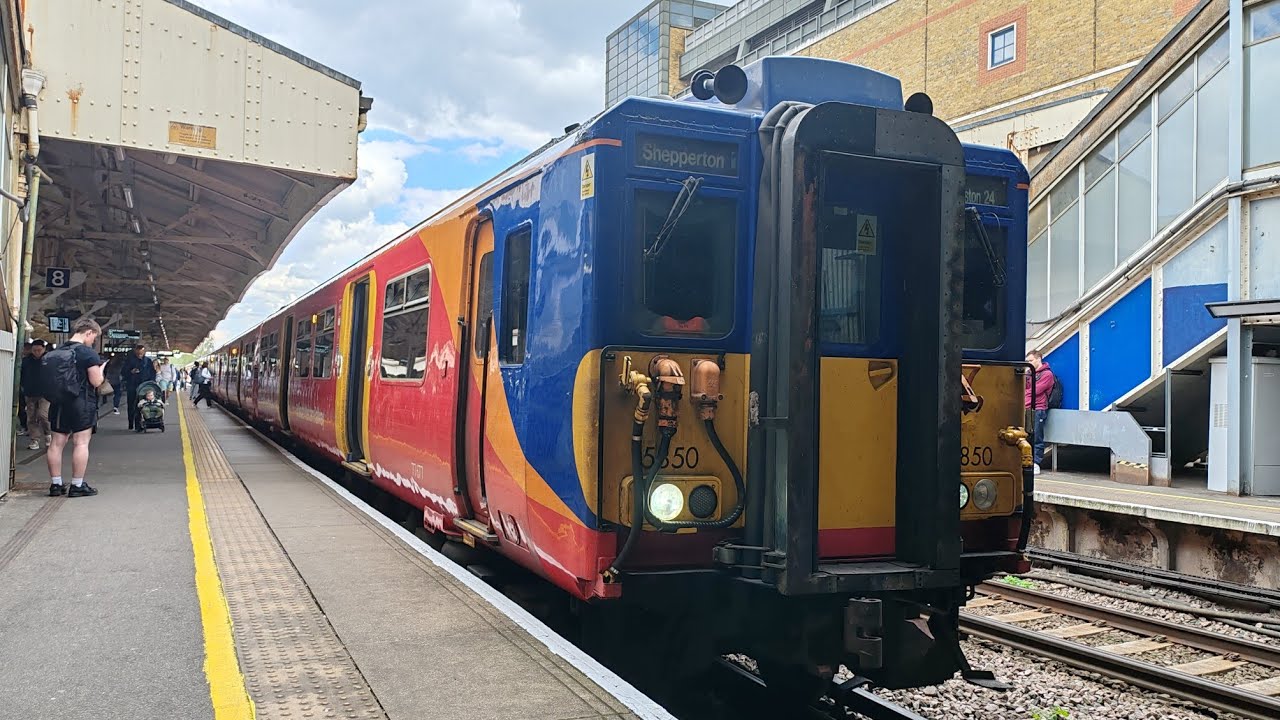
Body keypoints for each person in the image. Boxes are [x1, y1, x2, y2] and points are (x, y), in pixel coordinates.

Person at [45, 317, 105, 497]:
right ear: (88, 332)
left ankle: (56, 485)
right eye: (94, 337)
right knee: (81, 443)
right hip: (81, 403)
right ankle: (77, 485)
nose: (93, 341)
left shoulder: (57, 351)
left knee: (56, 444)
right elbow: (95, 381)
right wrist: (101, 373)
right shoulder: (88, 354)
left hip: (58, 402)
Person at [1025, 350, 1055, 476]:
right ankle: (1027, 461)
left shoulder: (1047, 375)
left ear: (1039, 359)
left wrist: (1024, 394)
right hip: (1027, 408)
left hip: (1039, 408)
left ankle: (1036, 462)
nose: (1028, 363)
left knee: (1038, 436)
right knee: (1026, 435)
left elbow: (1034, 391)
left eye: (1031, 361)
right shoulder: (1028, 374)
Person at [20, 339, 50, 450]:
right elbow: (21, 374)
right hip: (29, 392)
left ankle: (48, 434)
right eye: (34, 350)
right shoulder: (26, 361)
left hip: (45, 393)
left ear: (44, 349)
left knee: (43, 415)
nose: (37, 352)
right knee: (31, 417)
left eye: (39, 350)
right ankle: (35, 439)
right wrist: (23, 387)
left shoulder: (49, 359)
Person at [123, 344, 157, 431]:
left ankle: (139, 424)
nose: (140, 354)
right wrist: (131, 372)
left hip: (144, 386)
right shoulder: (129, 361)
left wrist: (152, 384)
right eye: (138, 352)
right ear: (135, 351)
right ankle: (131, 422)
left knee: (142, 404)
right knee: (131, 404)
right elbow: (123, 372)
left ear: (144, 352)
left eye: (141, 352)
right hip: (132, 385)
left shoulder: (148, 361)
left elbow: (152, 373)